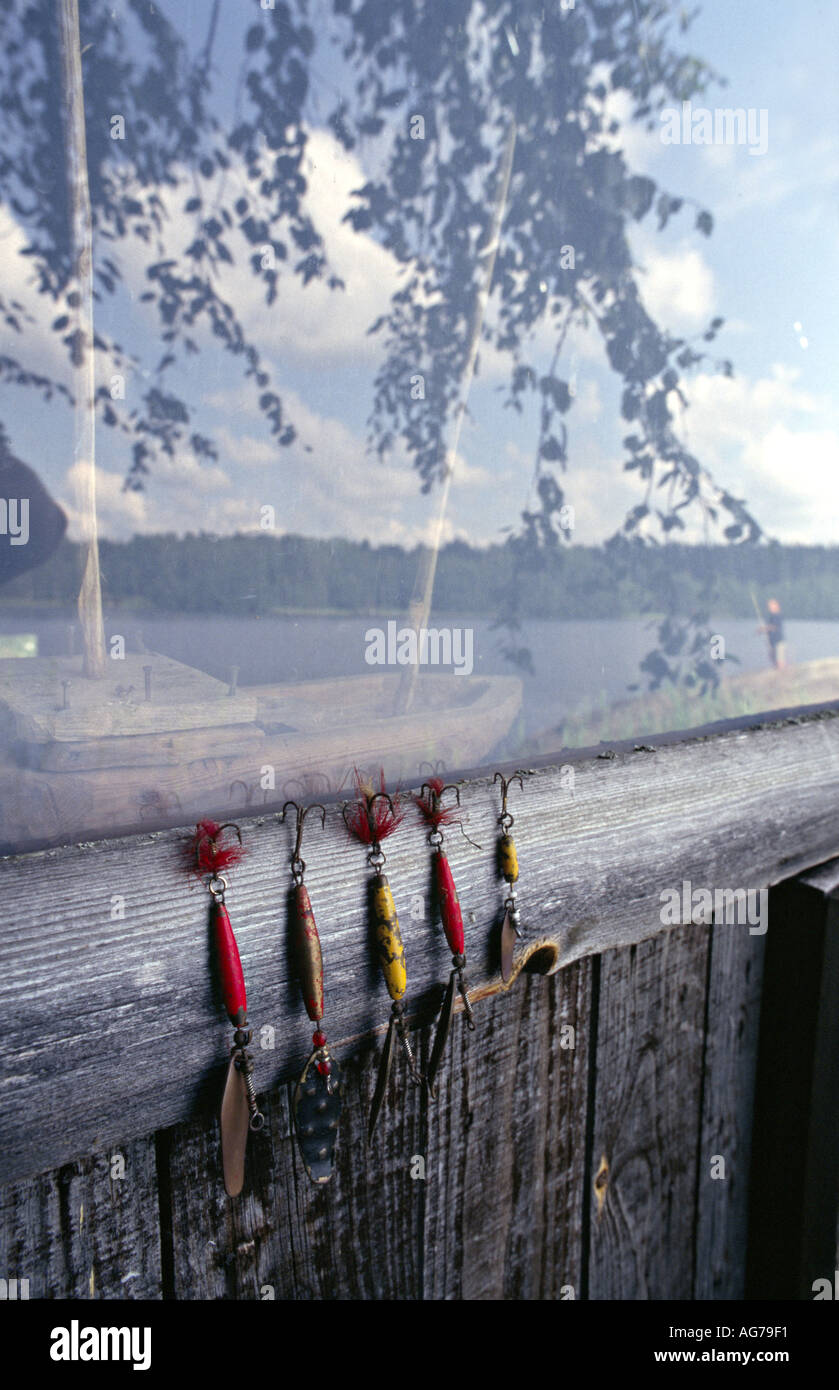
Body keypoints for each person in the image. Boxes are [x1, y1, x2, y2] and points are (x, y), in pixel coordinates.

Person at [758, 598, 785, 669]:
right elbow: (769, 628)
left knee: (780, 659)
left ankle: (781, 672)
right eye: (769, 606)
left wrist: (763, 628)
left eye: (771, 605)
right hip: (772, 642)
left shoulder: (777, 615)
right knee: (772, 658)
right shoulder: (771, 616)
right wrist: (763, 630)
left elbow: (774, 627)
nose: (769, 607)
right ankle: (777, 671)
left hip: (778, 641)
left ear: (776, 606)